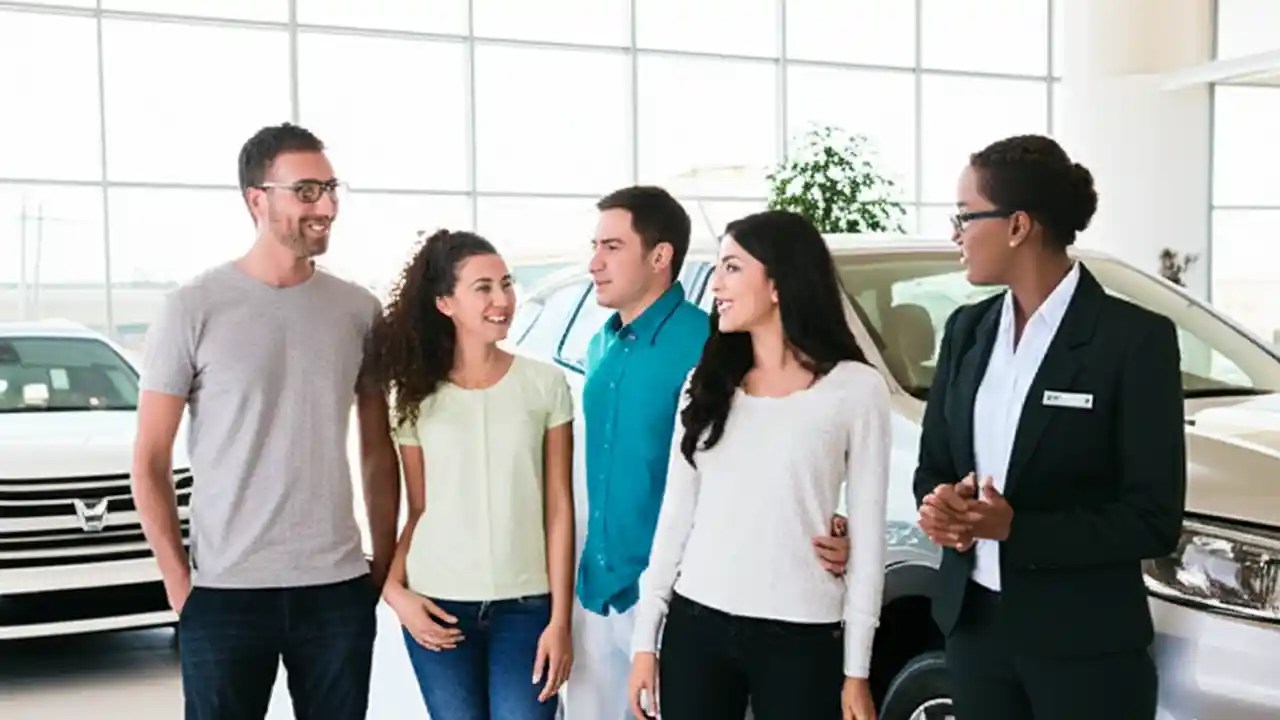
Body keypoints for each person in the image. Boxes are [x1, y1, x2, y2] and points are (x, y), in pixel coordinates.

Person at [131, 123, 401, 719]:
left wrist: (380, 566)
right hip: (225, 592)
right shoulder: (192, 308)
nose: (327, 206)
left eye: (331, 189)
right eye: (306, 191)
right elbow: (149, 461)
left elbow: (377, 447)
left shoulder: (358, 309)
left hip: (335, 587)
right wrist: (182, 587)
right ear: (258, 199)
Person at [913, 134, 1186, 720]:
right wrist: (938, 506)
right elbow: (934, 462)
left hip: (1085, 649)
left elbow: (1153, 518)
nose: (955, 234)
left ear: (1018, 226)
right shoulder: (967, 331)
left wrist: (1018, 530)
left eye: (965, 216)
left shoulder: (1133, 341)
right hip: (976, 631)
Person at [565, 188, 853, 719]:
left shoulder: (716, 347)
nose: (594, 263)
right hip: (596, 594)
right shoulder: (599, 346)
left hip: (684, 599)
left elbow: (786, 441)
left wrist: (838, 521)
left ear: (659, 256)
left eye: (610, 247)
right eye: (594, 246)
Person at [627, 209, 890, 720]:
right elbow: (675, 518)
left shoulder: (856, 390)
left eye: (731, 268)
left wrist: (856, 673)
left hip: (802, 634)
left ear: (778, 283)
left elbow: (871, 542)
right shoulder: (705, 383)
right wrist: (646, 643)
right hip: (696, 626)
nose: (715, 285)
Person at [370, 230, 575, 720]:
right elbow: (418, 510)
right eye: (483, 288)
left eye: (506, 283)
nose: (502, 299)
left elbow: (559, 507)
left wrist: (560, 620)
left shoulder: (545, 385)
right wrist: (394, 593)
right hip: (437, 603)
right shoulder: (416, 396)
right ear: (445, 302)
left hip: (527, 607)